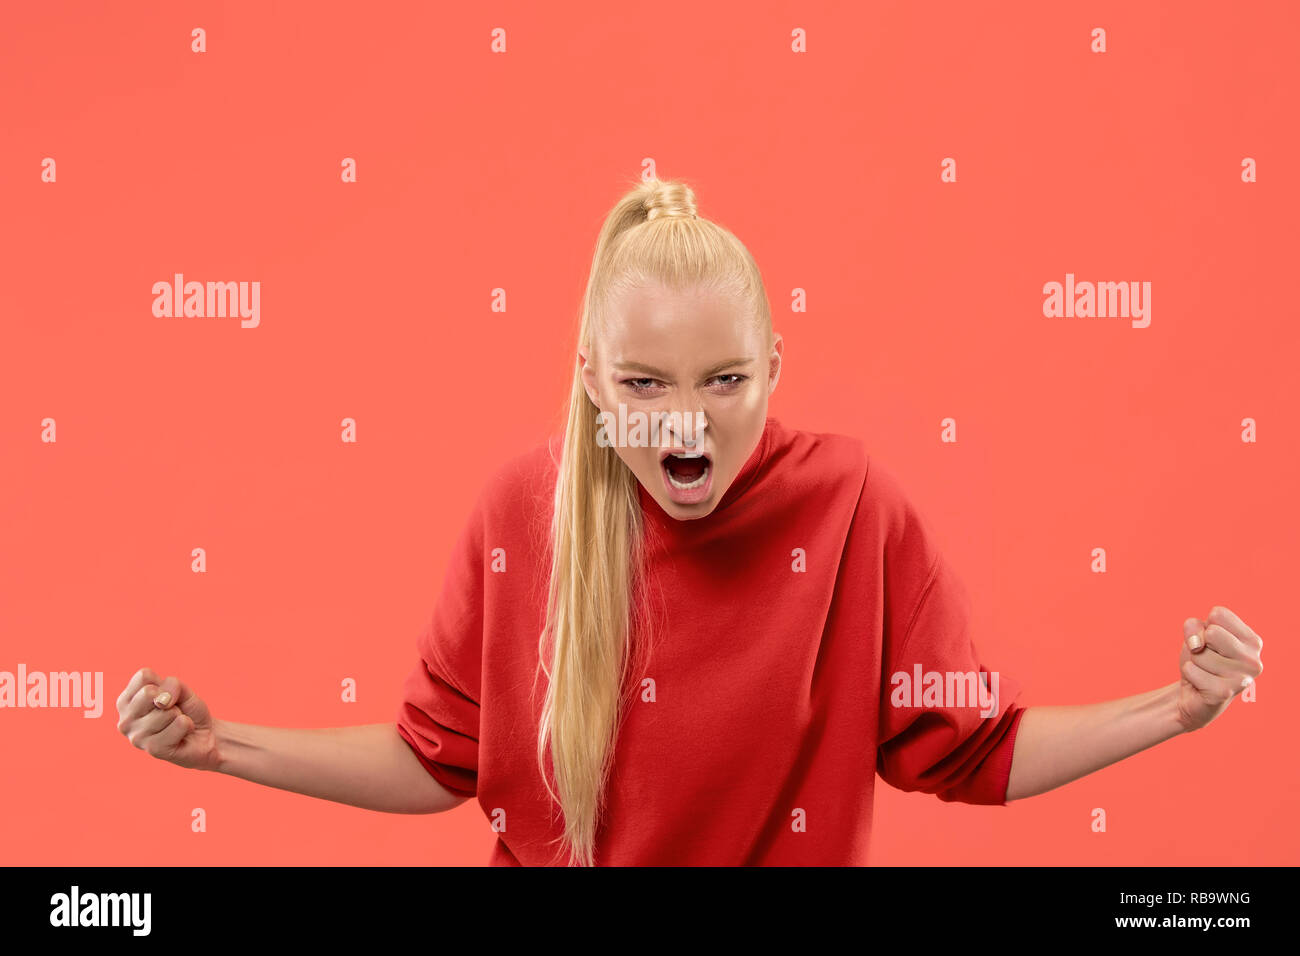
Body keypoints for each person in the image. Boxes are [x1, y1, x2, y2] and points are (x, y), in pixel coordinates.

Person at [117, 177, 1264, 866]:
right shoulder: (525, 506)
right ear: (590, 377)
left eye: (723, 381)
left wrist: (1180, 705)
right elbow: (439, 758)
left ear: (775, 365)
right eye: (645, 384)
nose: (685, 428)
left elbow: (968, 748)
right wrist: (222, 749)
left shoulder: (852, 503)